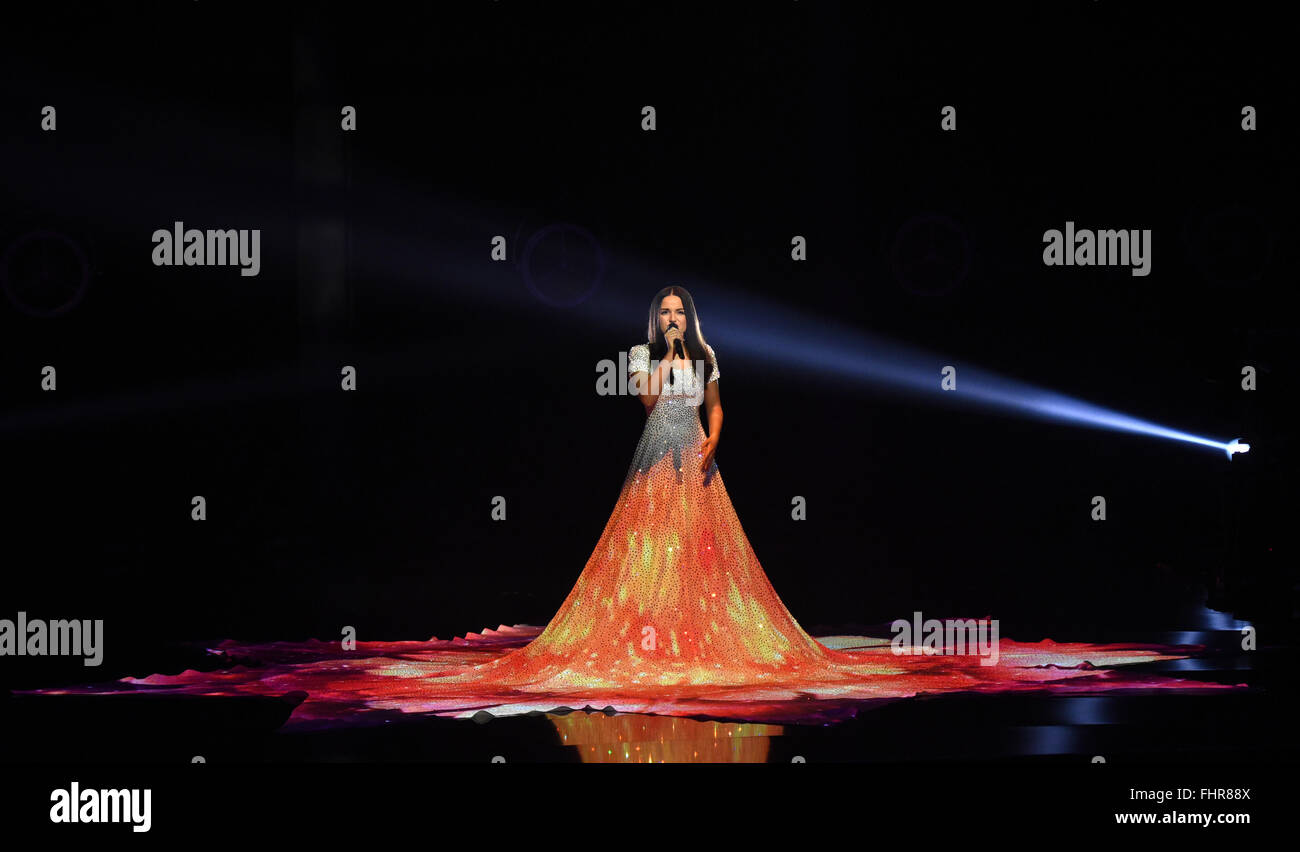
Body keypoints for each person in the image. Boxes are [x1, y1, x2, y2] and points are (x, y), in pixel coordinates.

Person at [441, 285, 872, 691]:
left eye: (679, 311)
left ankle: (703, 631)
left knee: (703, 550)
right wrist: (667, 355)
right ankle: (648, 631)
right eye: (665, 312)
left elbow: (716, 406)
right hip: (656, 453)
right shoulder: (641, 354)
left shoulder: (706, 355)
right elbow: (647, 398)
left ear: (690, 317)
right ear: (656, 319)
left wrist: (715, 436)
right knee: (648, 546)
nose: (673, 317)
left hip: (697, 454)